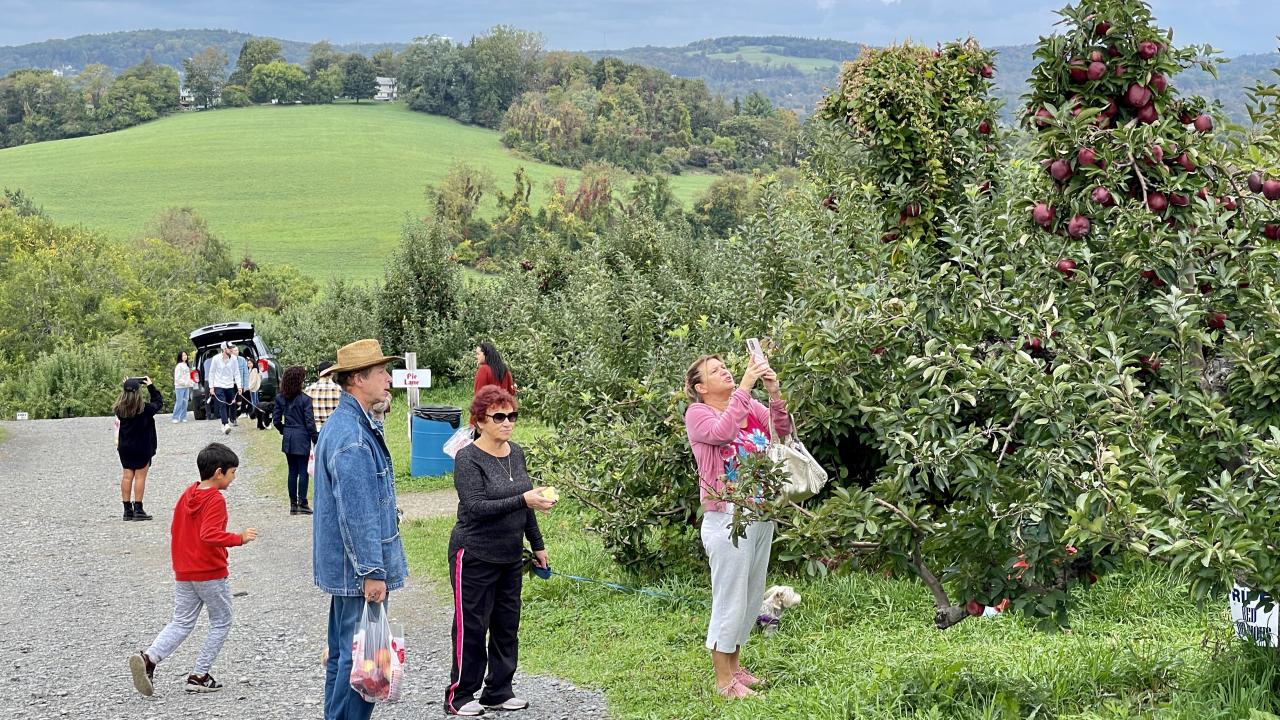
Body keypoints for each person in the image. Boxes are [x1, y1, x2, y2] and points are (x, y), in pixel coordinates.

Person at [683, 353, 792, 699]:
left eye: (725, 366)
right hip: (727, 515)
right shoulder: (698, 414)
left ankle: (736, 666)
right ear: (701, 387)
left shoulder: (749, 404)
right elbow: (722, 431)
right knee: (730, 597)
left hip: (761, 511)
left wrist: (773, 394)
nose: (726, 371)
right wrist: (745, 385)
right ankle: (723, 681)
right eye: (716, 371)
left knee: (748, 594)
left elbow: (782, 433)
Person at [444, 385, 556, 716]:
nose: (507, 423)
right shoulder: (467, 458)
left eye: (512, 416)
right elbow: (476, 506)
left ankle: (499, 690)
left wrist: (537, 544)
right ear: (479, 421)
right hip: (474, 553)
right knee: (472, 626)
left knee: (507, 623)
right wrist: (524, 499)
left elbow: (527, 504)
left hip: (510, 555)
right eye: (499, 416)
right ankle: (460, 695)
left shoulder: (517, 453)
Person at [312, 339, 407, 720]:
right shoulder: (352, 436)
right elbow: (358, 513)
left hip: (348, 570)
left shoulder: (351, 423)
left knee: (342, 657)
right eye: (380, 372)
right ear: (356, 379)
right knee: (364, 667)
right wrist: (372, 572)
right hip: (358, 573)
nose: (388, 378)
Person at [128, 442, 258, 696]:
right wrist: (238, 538)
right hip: (209, 571)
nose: (233, 478)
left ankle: (149, 659)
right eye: (232, 473)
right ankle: (199, 675)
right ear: (219, 472)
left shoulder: (189, 493)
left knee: (181, 621)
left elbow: (177, 529)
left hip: (184, 571)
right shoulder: (216, 500)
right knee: (222, 620)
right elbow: (210, 534)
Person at [115, 376, 164, 521]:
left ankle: (126, 510)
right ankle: (138, 508)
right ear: (138, 393)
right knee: (140, 477)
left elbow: (126, 396)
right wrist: (151, 386)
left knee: (127, 476)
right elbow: (158, 403)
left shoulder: (119, 408)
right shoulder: (145, 409)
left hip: (125, 447)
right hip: (142, 447)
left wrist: (127, 385)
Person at [274, 366, 319, 515]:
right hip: (302, 437)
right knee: (303, 471)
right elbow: (310, 422)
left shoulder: (280, 398)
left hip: (289, 436)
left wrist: (284, 430)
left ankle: (293, 504)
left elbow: (276, 420)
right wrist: (315, 438)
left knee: (292, 471)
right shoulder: (305, 400)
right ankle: (303, 502)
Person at [207, 342, 242, 434]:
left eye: (232, 348)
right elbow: (211, 373)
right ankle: (225, 424)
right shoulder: (216, 359)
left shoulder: (234, 359)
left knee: (230, 404)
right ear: (224, 349)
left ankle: (225, 422)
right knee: (222, 403)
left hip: (230, 385)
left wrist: (239, 386)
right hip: (219, 385)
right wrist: (211, 387)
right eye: (229, 348)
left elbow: (237, 373)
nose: (231, 350)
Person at [305, 360, 342, 431]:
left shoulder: (308, 390)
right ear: (332, 373)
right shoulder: (339, 390)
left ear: (319, 373)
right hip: (333, 430)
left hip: (315, 432)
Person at [172, 350, 196, 423]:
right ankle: (175, 417)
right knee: (179, 402)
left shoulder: (186, 365)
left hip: (186, 387)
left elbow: (188, 377)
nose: (185, 356)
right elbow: (177, 378)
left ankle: (183, 417)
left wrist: (191, 383)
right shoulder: (179, 366)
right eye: (183, 355)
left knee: (185, 402)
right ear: (180, 357)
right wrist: (185, 383)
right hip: (179, 387)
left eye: (186, 355)